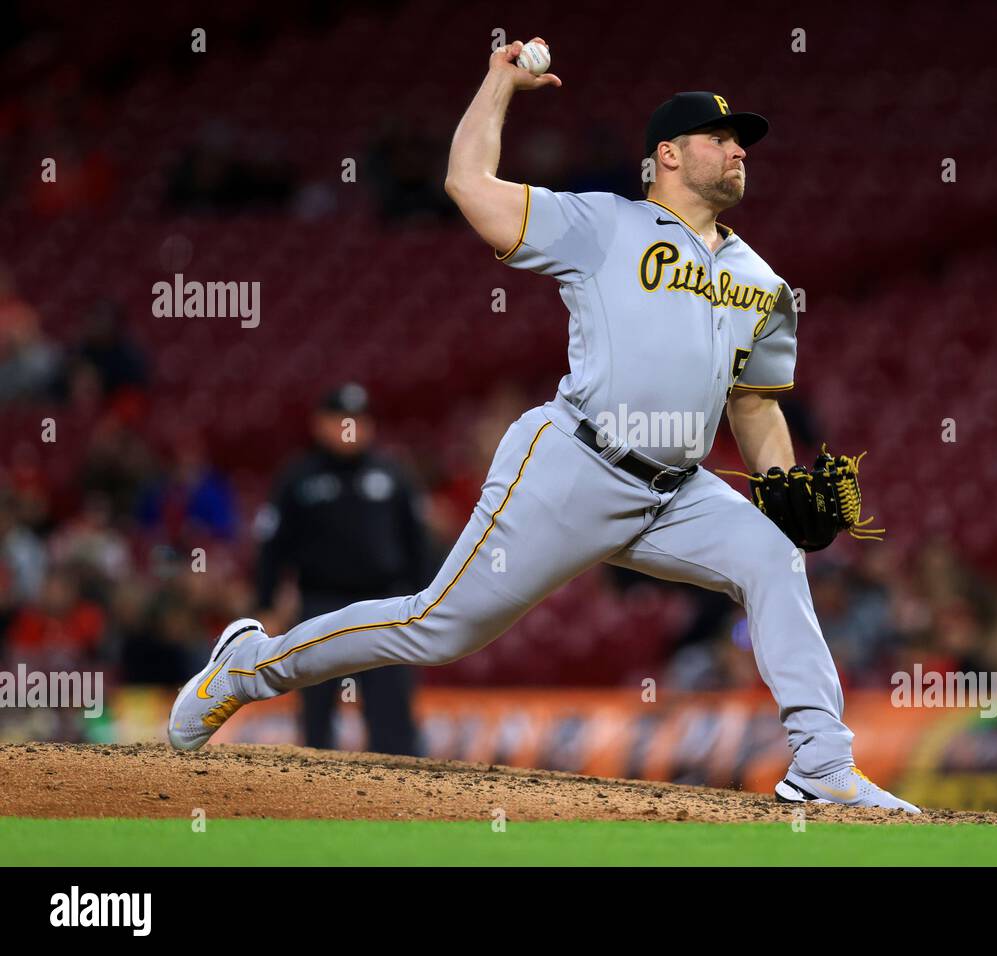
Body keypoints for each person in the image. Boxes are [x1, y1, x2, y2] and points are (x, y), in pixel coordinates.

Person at [168, 38, 920, 813]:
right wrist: (498, 84)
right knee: (438, 628)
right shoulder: (602, 225)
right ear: (667, 154)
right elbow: (467, 183)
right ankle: (248, 665)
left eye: (742, 143)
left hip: (678, 491)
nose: (738, 151)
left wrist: (780, 487)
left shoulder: (762, 281)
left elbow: (754, 404)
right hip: (576, 465)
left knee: (774, 555)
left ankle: (823, 765)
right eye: (720, 138)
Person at [250, 384, 438, 755]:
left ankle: (400, 795)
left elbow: (419, 544)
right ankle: (314, 796)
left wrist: (426, 601)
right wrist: (266, 605)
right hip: (320, 605)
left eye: (358, 420)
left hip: (386, 606)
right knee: (316, 714)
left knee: (392, 713)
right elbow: (272, 547)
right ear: (320, 424)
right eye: (341, 420)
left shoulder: (393, 476)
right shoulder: (298, 479)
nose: (350, 429)